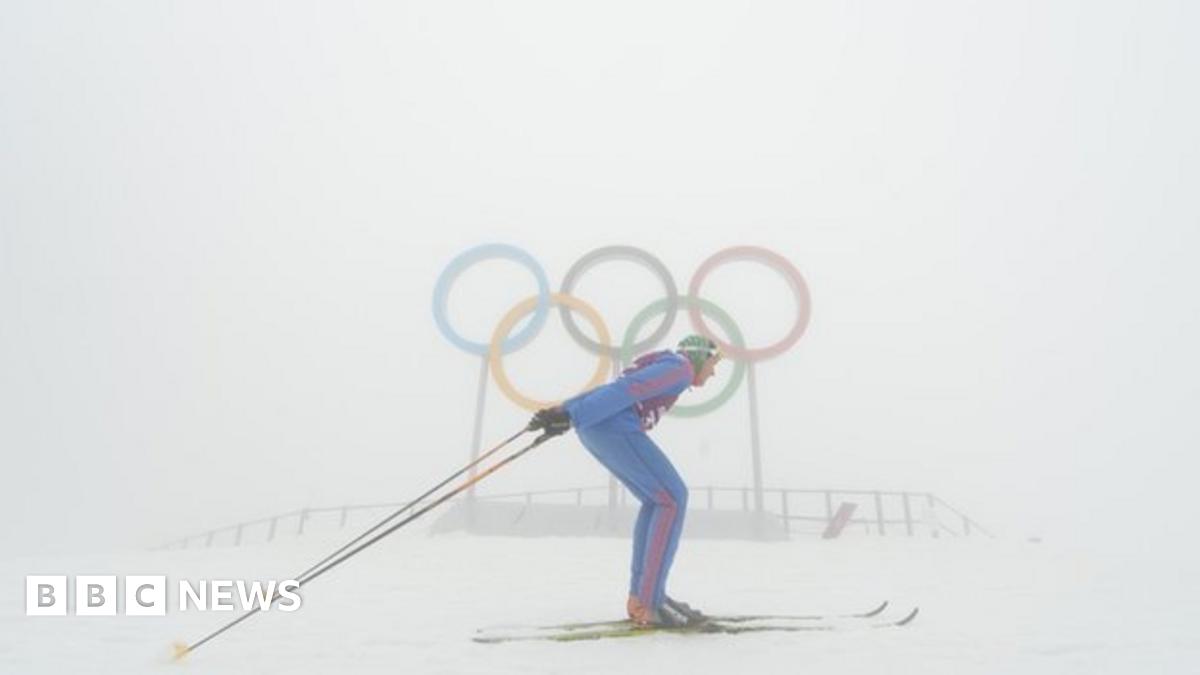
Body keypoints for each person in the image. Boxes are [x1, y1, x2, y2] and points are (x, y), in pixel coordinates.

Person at [528, 334, 723, 628]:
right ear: (699, 356)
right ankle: (650, 602)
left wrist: (562, 411)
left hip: (599, 428)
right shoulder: (680, 366)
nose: (714, 371)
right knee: (673, 498)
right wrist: (571, 415)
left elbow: (614, 388)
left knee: (659, 500)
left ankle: (643, 598)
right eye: (713, 361)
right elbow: (628, 389)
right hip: (613, 426)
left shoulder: (667, 363)